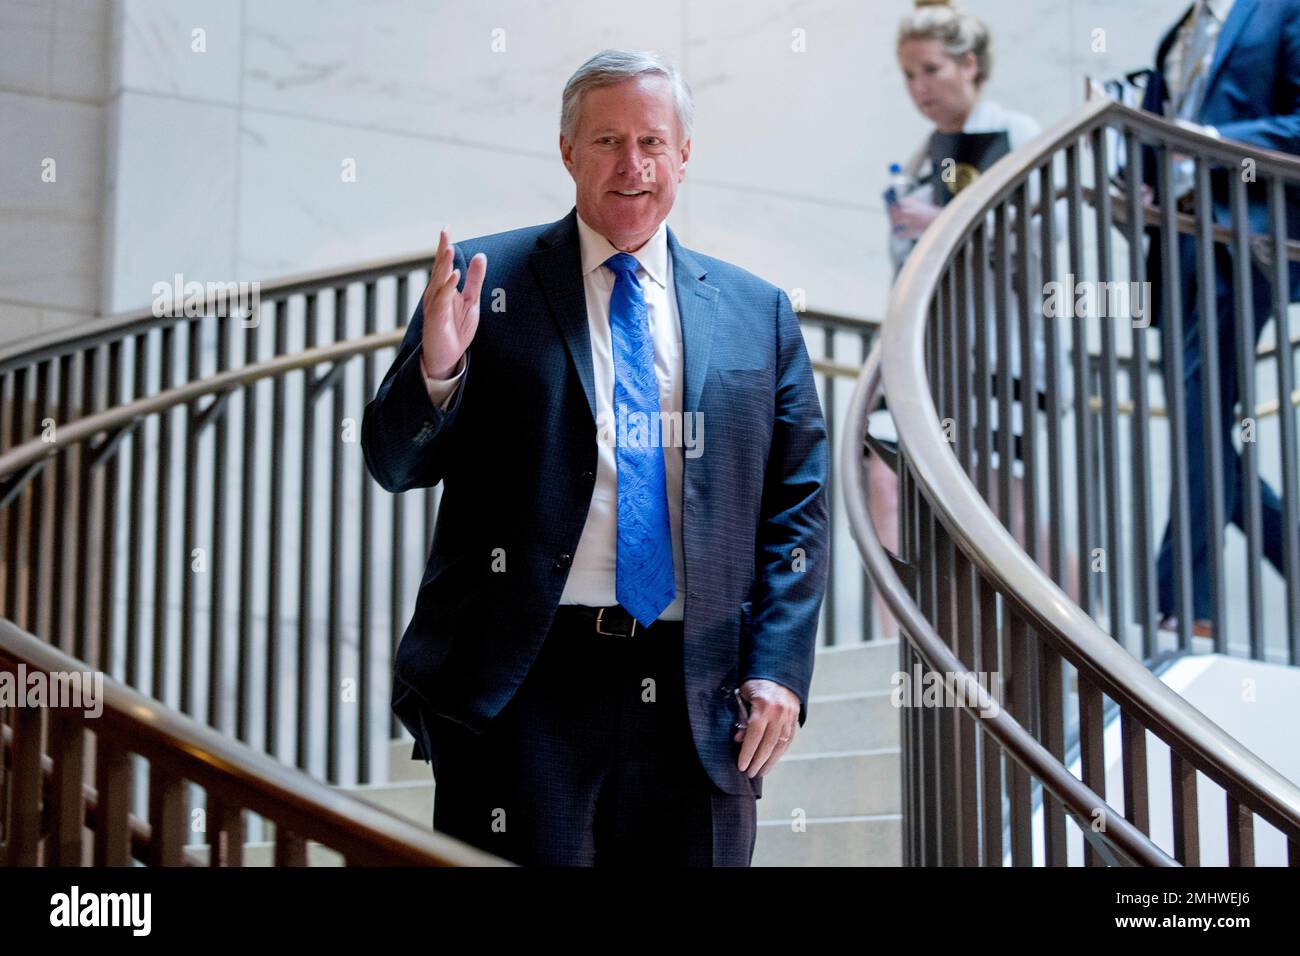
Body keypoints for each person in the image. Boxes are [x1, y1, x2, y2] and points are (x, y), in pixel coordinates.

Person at [361, 49, 830, 867]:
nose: (632, 165)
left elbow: (800, 504)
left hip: (700, 691)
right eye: (607, 141)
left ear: (685, 155)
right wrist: (437, 373)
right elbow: (395, 464)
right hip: (525, 685)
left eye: (652, 141)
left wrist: (780, 671)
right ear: (567, 151)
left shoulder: (759, 313)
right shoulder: (486, 281)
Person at [867, 0, 1071, 637]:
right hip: (928, 362)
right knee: (882, 472)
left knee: (1002, 508)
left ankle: (1070, 639)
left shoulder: (1014, 130)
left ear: (970, 65)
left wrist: (947, 223)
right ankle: (903, 648)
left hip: (1001, 357)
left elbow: (1048, 230)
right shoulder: (922, 157)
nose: (919, 88)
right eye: (908, 75)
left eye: (930, 69)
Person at [1141, 0, 1300, 637]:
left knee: (1202, 419)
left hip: (1241, 231)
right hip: (1175, 239)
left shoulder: (1281, 9)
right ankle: (1185, 598)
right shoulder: (1178, 31)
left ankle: (1184, 602)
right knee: (1199, 429)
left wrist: (1214, 143)